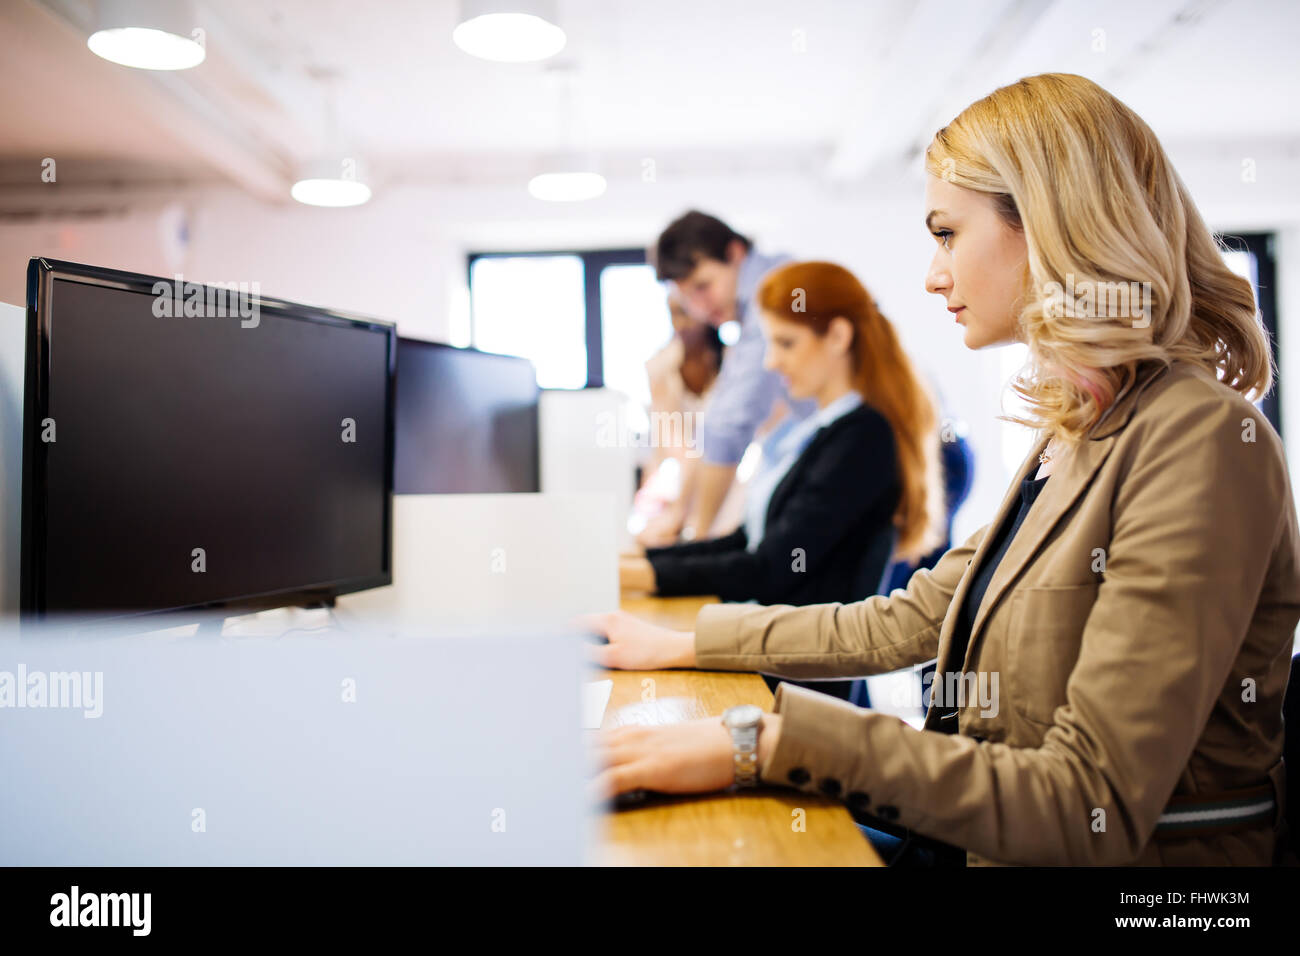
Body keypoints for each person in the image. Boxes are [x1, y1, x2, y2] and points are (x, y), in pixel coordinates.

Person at [586, 73, 1300, 867]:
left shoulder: (1197, 440)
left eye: (947, 234)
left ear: (1049, 225)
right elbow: (903, 619)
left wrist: (768, 742)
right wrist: (684, 643)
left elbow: (1083, 803)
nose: (931, 276)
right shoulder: (1081, 429)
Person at [621, 260, 943, 610]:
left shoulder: (862, 438)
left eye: (786, 343)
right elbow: (744, 542)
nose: (771, 363)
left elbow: (770, 568)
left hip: (800, 655)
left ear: (837, 336)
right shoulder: (820, 432)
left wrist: (639, 574)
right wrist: (643, 560)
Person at [637, 212, 814, 547]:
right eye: (688, 297)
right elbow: (716, 423)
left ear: (734, 254)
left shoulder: (777, 288)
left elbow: (732, 422)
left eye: (703, 286)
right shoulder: (752, 311)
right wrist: (681, 518)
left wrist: (697, 536)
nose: (699, 308)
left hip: (903, 448)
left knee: (904, 597)